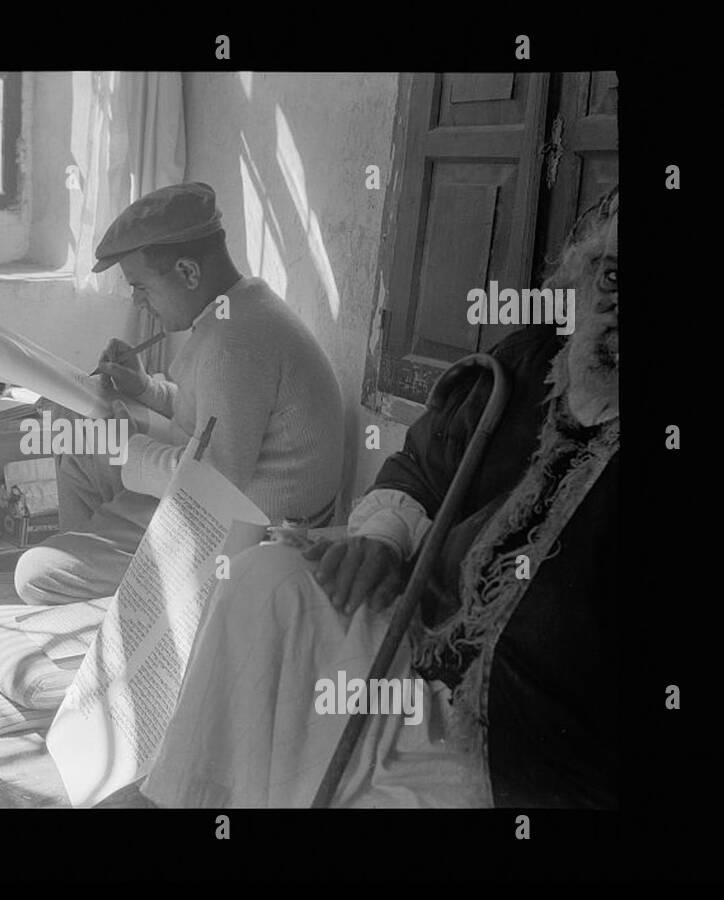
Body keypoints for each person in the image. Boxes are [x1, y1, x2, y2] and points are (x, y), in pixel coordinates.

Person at [140, 186, 620, 809]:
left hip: (535, 737)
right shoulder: (535, 358)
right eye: (611, 275)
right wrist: (382, 540)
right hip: (425, 635)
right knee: (269, 578)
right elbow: (422, 463)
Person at [15, 182, 345, 605]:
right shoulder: (240, 307)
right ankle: (108, 565)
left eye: (142, 287)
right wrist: (145, 389)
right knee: (78, 438)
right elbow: (211, 417)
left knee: (36, 574)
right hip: (221, 495)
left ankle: (113, 594)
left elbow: (211, 481)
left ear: (188, 272)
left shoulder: (235, 344)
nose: (137, 302)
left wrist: (123, 448)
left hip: (242, 529)